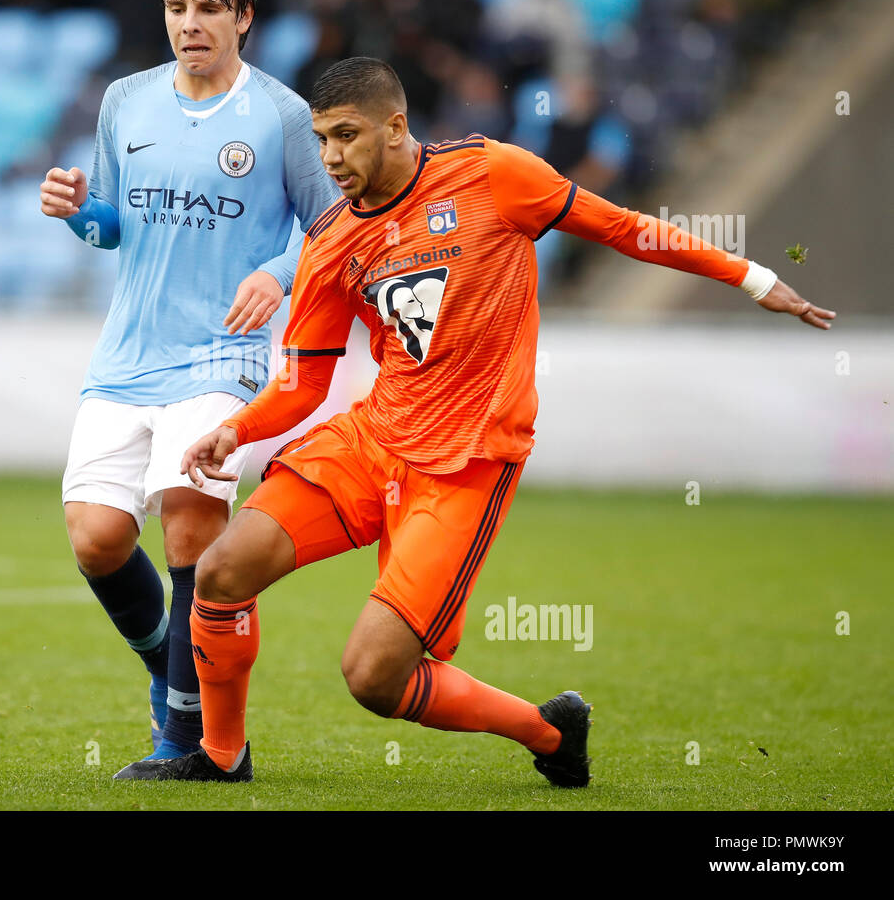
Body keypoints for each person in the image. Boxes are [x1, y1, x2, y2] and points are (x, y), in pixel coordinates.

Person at [114, 56, 835, 783]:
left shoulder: (494, 175)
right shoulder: (331, 240)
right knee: (221, 572)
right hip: (371, 442)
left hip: (466, 464)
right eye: (322, 140)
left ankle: (551, 735)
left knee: (373, 677)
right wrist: (240, 428)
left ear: (396, 127)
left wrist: (754, 277)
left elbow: (619, 227)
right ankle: (221, 755)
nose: (330, 158)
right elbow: (305, 383)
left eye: (346, 136)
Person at [38, 0, 338, 760]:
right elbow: (110, 226)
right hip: (128, 358)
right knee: (96, 537)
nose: (190, 23)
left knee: (187, 533)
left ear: (244, 16)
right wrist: (75, 209)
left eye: (209, 8)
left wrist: (278, 275)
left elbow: (330, 229)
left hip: (222, 358)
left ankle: (191, 739)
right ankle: (169, 665)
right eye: (177, 7)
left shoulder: (279, 115)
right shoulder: (125, 101)